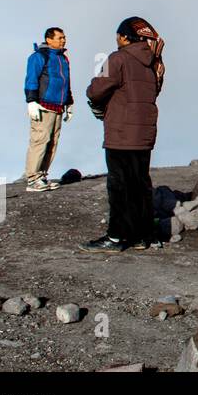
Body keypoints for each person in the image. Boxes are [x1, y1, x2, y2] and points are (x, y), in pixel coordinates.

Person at [80, 17, 165, 252]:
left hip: (121, 132)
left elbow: (96, 91)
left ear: (125, 37)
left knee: (119, 186)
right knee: (140, 185)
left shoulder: (116, 58)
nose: (117, 39)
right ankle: (144, 236)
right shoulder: (153, 63)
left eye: (118, 35)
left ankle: (116, 237)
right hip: (144, 133)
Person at [23, 26, 74, 192]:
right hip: (43, 105)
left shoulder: (63, 59)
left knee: (52, 142)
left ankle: (42, 175)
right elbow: (31, 79)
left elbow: (65, 82)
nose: (63, 40)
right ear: (49, 39)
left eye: (64, 37)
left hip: (58, 106)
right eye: (60, 38)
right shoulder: (38, 57)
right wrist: (31, 101)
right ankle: (32, 178)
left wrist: (69, 102)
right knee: (40, 140)